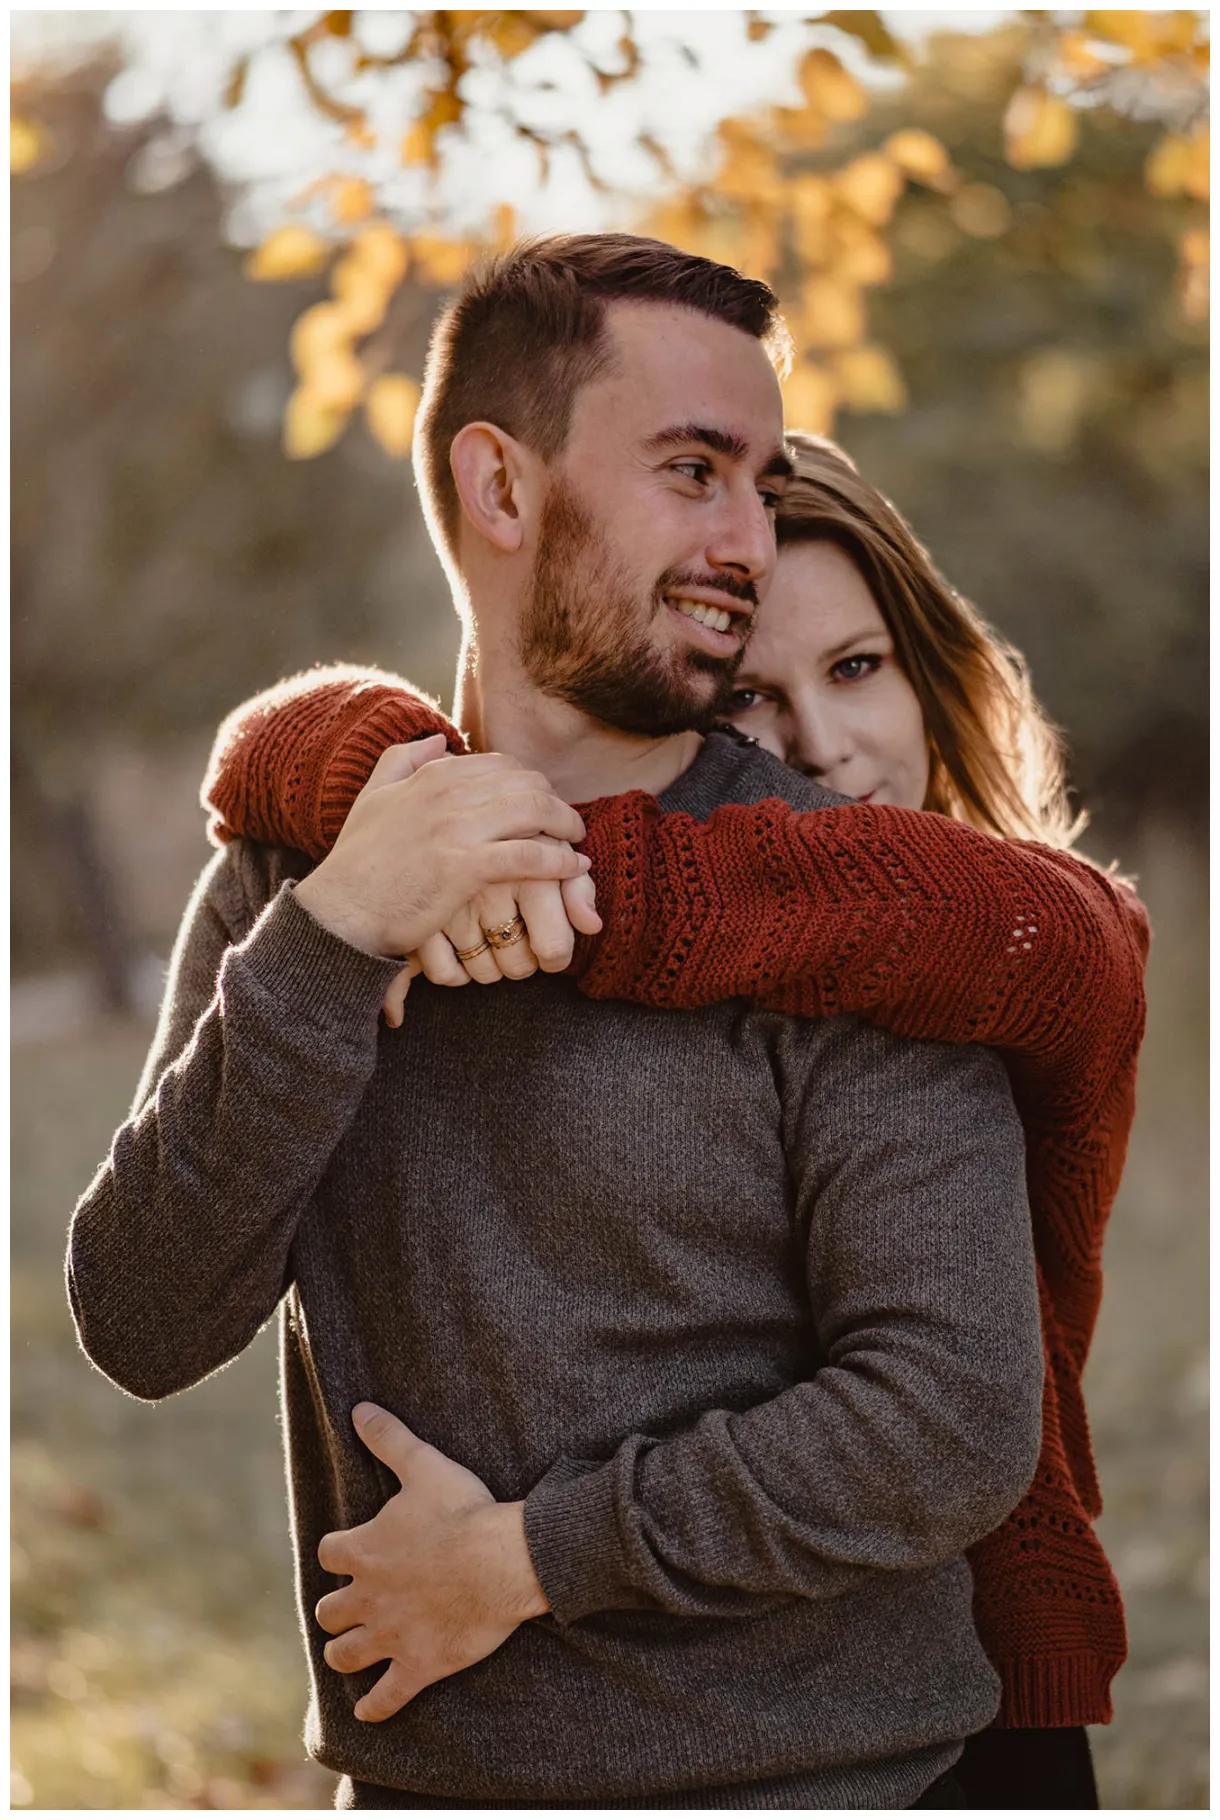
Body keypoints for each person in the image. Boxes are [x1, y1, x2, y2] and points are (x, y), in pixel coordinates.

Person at [68, 234, 1045, 1810]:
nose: (750, 534)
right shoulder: (302, 878)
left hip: (830, 1781)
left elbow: (948, 1419)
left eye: (760, 478)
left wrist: (537, 1557)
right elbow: (141, 1320)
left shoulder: (856, 900)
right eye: (693, 470)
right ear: (501, 491)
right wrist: (336, 939)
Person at [205, 433, 1148, 1810]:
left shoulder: (1019, 925)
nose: (824, 744)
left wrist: (514, 871)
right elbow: (262, 756)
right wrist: (385, 778)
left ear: (930, 665)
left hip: (968, 1665)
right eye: (757, 697)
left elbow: (836, 897)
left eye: (859, 669)